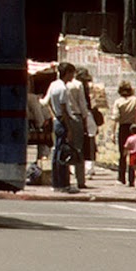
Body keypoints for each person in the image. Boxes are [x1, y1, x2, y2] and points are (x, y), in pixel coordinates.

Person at [41, 63, 85, 192]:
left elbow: (46, 101)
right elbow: (65, 109)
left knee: (58, 152)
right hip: (64, 121)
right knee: (64, 153)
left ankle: (56, 183)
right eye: (72, 73)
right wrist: (69, 128)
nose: (73, 76)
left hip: (58, 120)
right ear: (67, 73)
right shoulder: (63, 89)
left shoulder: (53, 85)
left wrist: (54, 114)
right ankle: (62, 184)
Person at [110, 81, 136, 184]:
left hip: (123, 127)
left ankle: (121, 177)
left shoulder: (118, 102)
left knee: (122, 154)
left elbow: (115, 118)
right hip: (134, 127)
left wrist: (112, 133)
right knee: (133, 152)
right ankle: (131, 179)